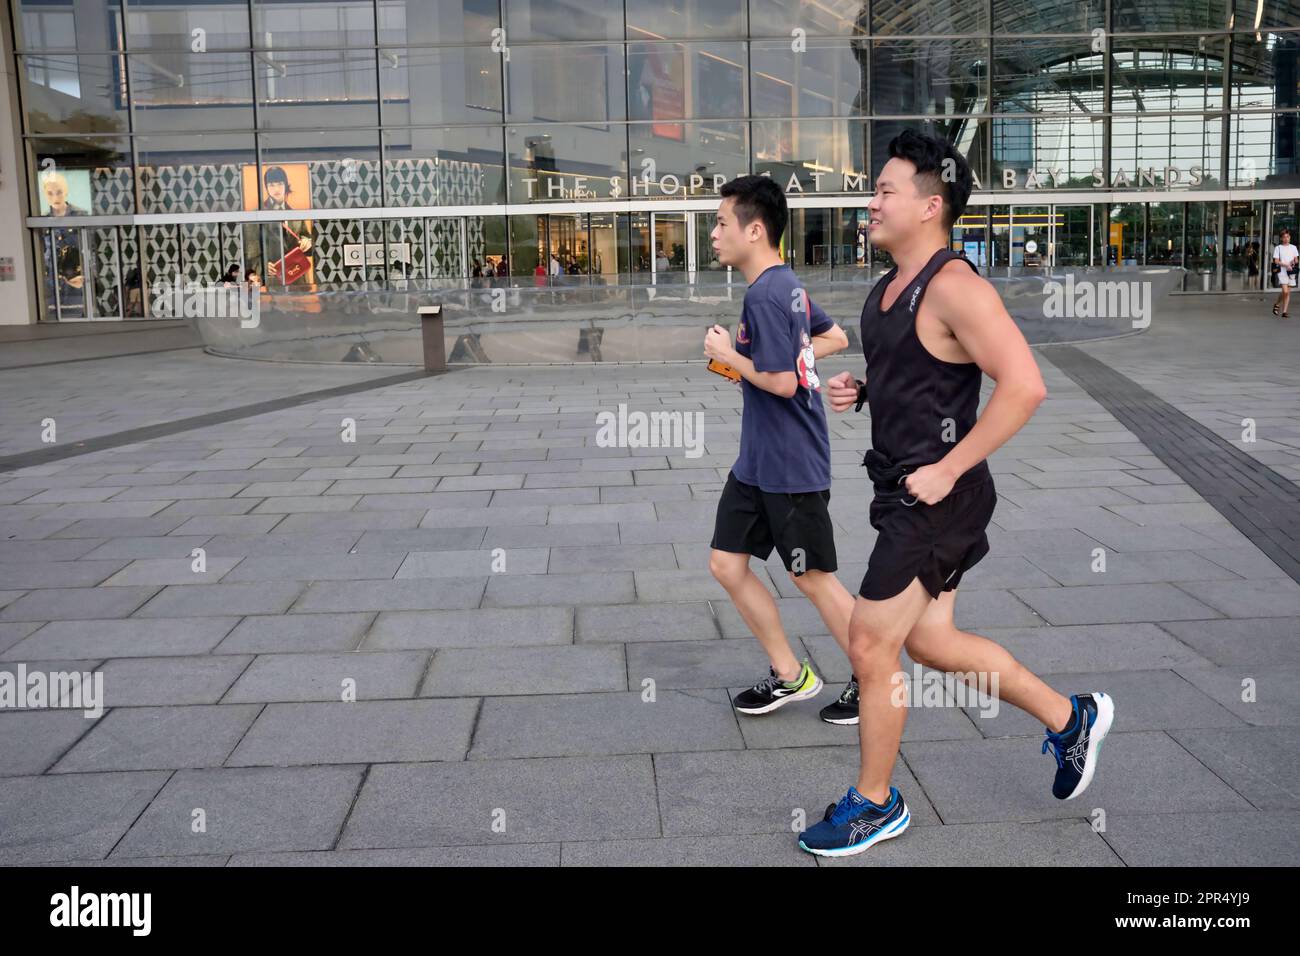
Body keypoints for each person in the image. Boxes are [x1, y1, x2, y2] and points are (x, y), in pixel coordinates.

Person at [798, 130, 1113, 857]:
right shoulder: (888, 291)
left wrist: (948, 466)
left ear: (931, 205)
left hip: (940, 498)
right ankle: (1071, 718)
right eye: (872, 189)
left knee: (871, 641)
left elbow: (1025, 386)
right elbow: (924, 370)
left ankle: (876, 804)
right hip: (904, 490)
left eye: (885, 190)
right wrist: (865, 388)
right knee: (933, 643)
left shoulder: (957, 285)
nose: (869, 201)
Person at [703, 174, 861, 726]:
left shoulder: (769, 293)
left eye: (722, 223)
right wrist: (764, 365)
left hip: (792, 463)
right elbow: (833, 338)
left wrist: (737, 357)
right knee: (726, 563)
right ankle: (792, 675)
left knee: (811, 577)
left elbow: (786, 384)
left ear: (755, 229)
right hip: (757, 461)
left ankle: (874, 679)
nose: (714, 233)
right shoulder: (785, 285)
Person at [1272, 229, 1297, 318]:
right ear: (1281, 238)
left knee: (1287, 292)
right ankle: (1277, 304)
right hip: (1282, 271)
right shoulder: (1278, 248)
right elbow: (1276, 261)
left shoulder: (1293, 247)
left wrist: (1293, 262)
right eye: (1284, 237)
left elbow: (1296, 259)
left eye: (1288, 237)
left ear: (1290, 237)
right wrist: (1286, 264)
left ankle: (1284, 312)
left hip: (1291, 271)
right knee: (1285, 292)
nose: (1286, 238)